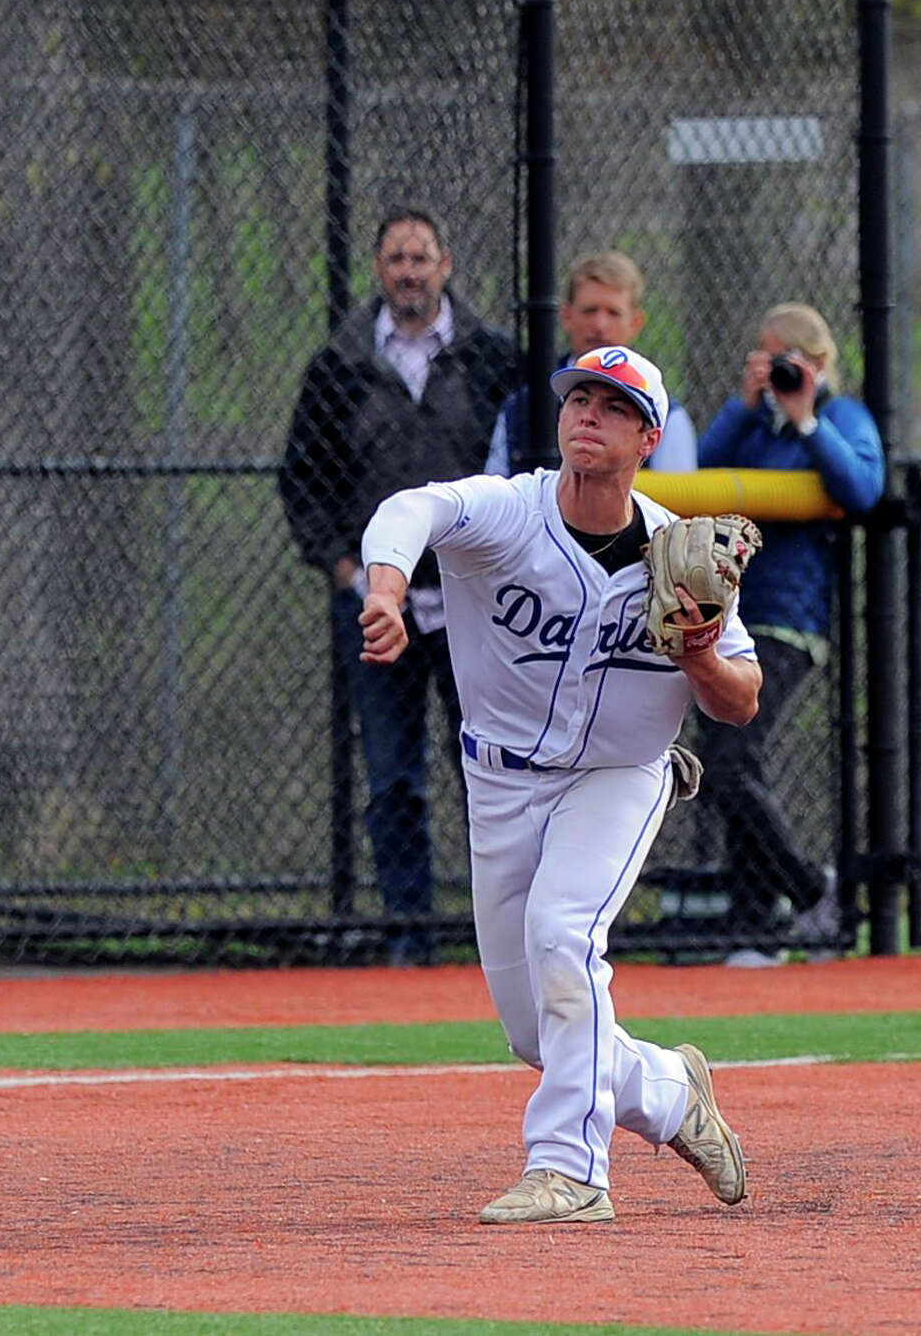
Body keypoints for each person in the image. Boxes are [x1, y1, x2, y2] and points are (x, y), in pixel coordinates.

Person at [358, 343, 760, 1223]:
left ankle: (570, 1171)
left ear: (648, 437)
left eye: (613, 406)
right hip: (498, 784)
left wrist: (698, 652)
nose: (588, 414)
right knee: (535, 1028)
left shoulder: (677, 552)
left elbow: (741, 699)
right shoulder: (510, 512)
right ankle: (668, 1088)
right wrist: (388, 590)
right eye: (579, 398)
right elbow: (407, 510)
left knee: (563, 931)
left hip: (619, 777)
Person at [280, 206, 517, 965]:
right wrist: (353, 575)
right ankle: (408, 931)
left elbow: (519, 475)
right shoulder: (341, 364)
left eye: (422, 256)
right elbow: (303, 482)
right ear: (379, 271)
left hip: (475, 607)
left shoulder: (492, 360)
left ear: (446, 264)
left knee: (487, 770)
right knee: (393, 777)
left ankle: (500, 933)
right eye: (396, 258)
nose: (409, 270)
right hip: (378, 607)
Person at [696, 302, 885, 953]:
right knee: (730, 763)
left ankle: (809, 892)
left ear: (818, 362)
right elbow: (697, 476)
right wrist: (744, 404)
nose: (776, 371)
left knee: (728, 763)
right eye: (767, 356)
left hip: (788, 621)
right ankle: (762, 921)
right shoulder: (754, 425)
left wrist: (806, 418)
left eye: (787, 359)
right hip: (726, 617)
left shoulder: (838, 417)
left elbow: (863, 486)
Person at [485, 250, 697, 477]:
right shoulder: (521, 407)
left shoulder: (667, 417)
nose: (600, 325)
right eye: (590, 311)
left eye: (613, 313)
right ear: (566, 316)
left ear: (635, 322)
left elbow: (676, 503)